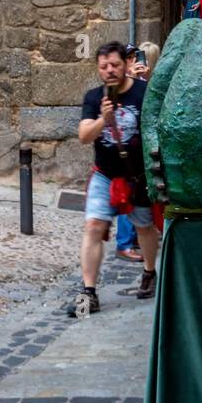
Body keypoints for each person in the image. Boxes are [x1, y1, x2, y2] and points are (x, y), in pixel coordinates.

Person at [66, 41, 159, 317]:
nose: (110, 71)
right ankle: (88, 293)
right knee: (93, 226)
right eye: (104, 66)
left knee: (144, 227)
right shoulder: (94, 98)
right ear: (99, 69)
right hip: (105, 175)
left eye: (115, 65)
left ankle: (149, 272)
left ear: (126, 65)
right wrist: (102, 121)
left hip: (137, 175)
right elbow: (84, 135)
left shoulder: (144, 93)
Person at [115, 43, 161, 263]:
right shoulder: (119, 85)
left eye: (137, 57)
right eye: (130, 58)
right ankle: (124, 243)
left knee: (138, 197)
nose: (135, 62)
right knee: (126, 196)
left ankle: (136, 238)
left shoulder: (146, 84)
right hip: (126, 151)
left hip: (140, 149)